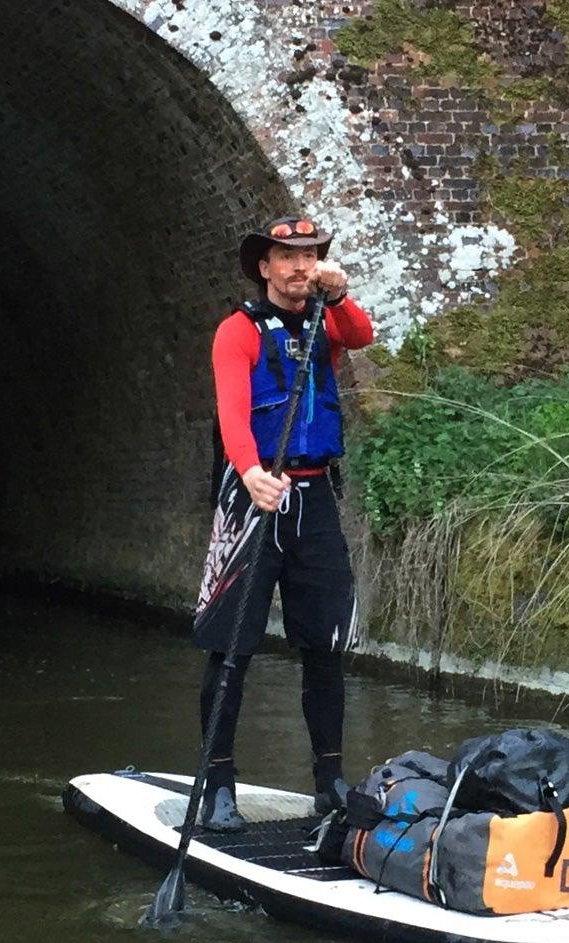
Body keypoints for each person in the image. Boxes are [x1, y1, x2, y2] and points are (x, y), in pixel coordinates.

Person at [190, 214, 375, 832]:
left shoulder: (329, 319)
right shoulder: (237, 332)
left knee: (324, 647)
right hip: (253, 496)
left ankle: (329, 780)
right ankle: (217, 783)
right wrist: (248, 471)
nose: (301, 266)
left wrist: (340, 293)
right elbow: (232, 413)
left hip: (314, 497)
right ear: (264, 267)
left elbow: (364, 334)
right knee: (231, 649)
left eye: (311, 255)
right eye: (287, 257)